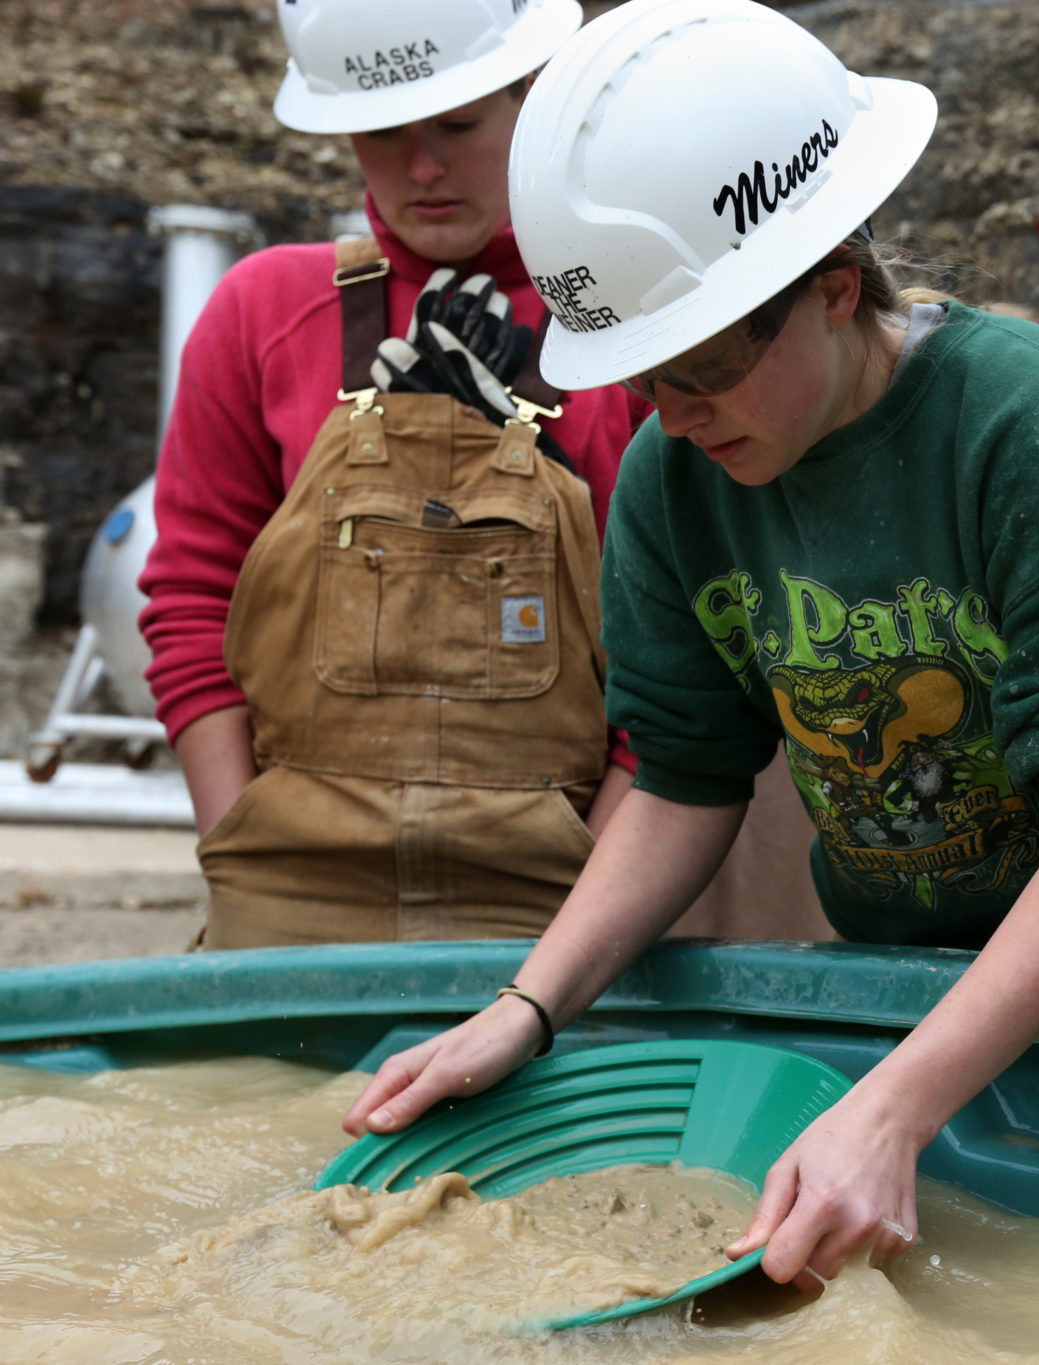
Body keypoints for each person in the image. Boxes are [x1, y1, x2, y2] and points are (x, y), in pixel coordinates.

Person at [341, 0, 1039, 1289]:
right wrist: (526, 1008)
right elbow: (684, 775)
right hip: (904, 979)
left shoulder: (1020, 424)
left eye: (704, 369)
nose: (673, 419)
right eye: (640, 384)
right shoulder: (679, 482)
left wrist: (895, 1110)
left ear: (834, 288)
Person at [137, 0, 828, 950]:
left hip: (575, 872)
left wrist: (597, 890)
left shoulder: (635, 318)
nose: (423, 167)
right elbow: (192, 598)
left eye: (458, 126)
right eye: (383, 134)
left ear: (532, 97)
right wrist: (240, 846)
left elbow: (687, 643)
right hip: (293, 884)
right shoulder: (262, 311)